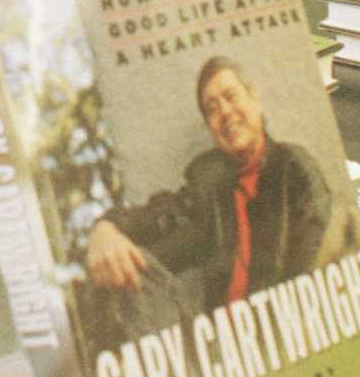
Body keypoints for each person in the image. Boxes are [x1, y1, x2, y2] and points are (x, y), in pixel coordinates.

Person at [84, 56, 333, 317]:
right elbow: (160, 215)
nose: (224, 112)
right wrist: (106, 228)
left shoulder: (293, 169)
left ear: (255, 99)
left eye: (231, 96)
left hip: (283, 323)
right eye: (212, 109)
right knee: (124, 277)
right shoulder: (211, 180)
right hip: (218, 330)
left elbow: (309, 264)